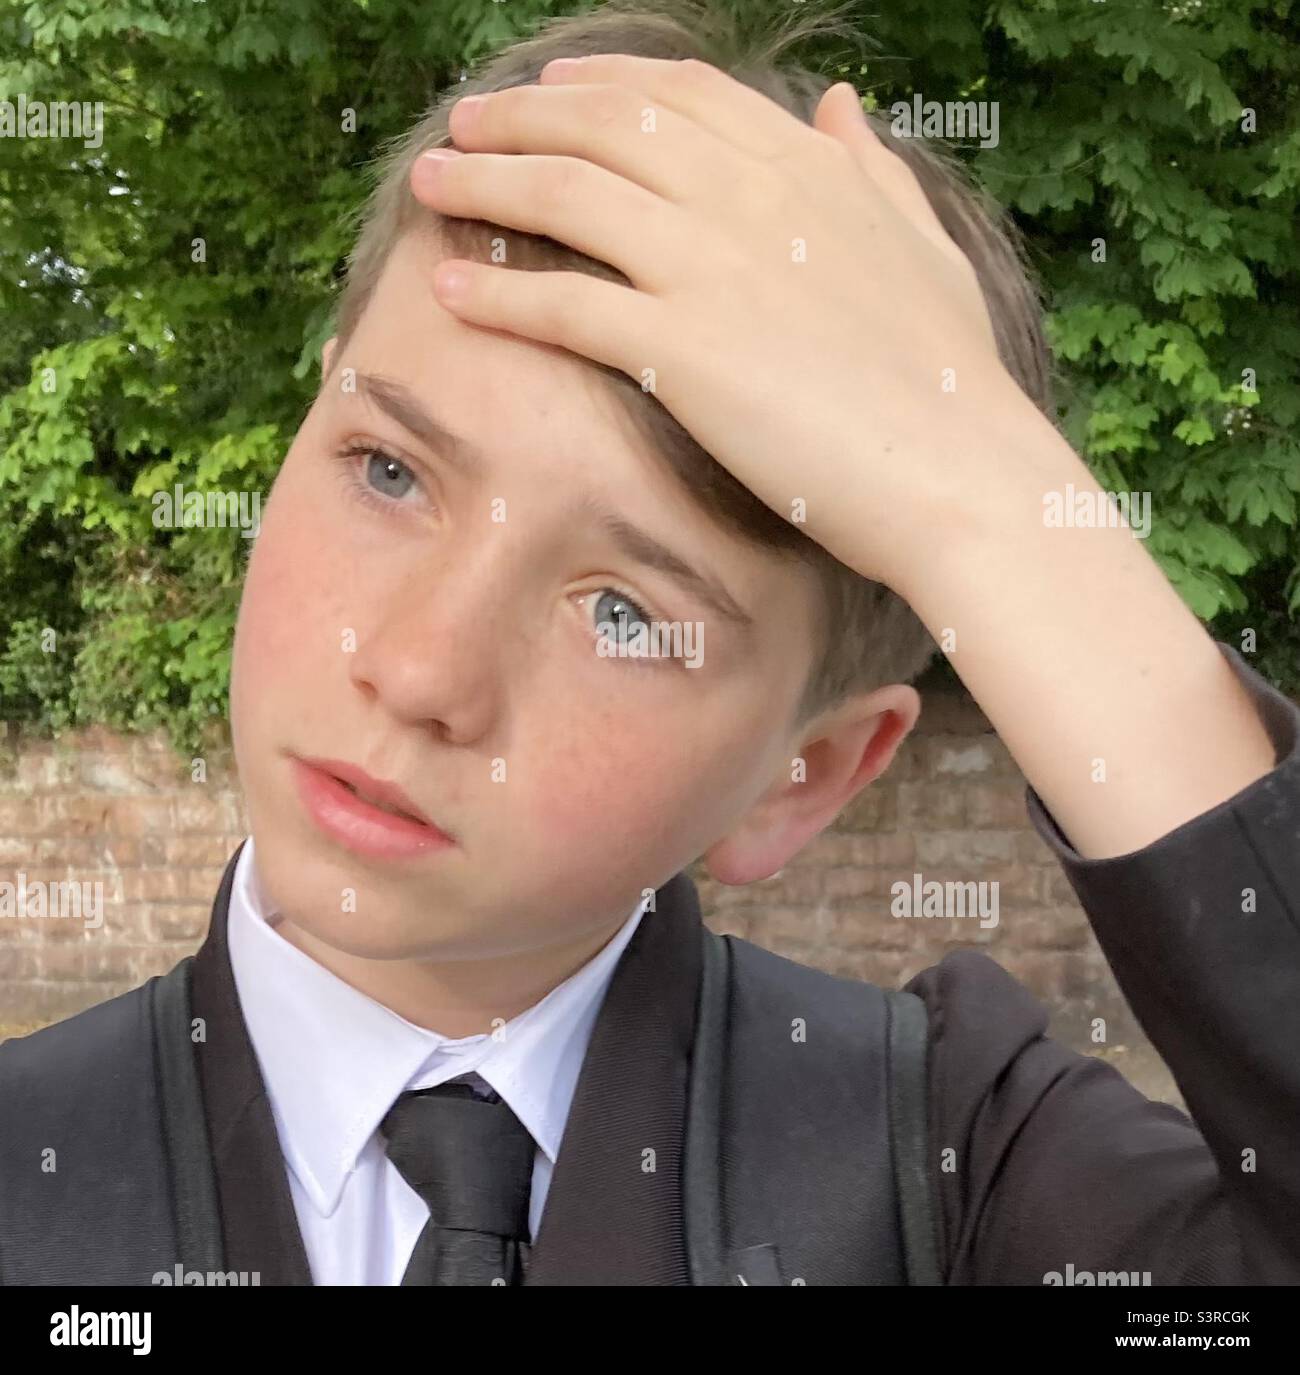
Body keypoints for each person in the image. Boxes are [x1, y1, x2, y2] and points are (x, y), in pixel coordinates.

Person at [2, 0, 1296, 1286]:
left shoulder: (959, 1171)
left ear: (808, 774)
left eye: (625, 612)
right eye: (389, 470)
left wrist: (1001, 512)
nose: (419, 671)